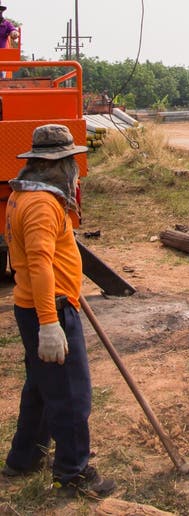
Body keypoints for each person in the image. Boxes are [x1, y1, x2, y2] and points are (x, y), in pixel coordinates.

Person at [1, 124, 115, 499]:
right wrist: (50, 323)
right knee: (70, 395)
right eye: (72, 161)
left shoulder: (27, 195)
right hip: (48, 311)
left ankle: (24, 459)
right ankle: (72, 472)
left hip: (38, 307)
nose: (76, 169)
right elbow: (38, 263)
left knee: (40, 387)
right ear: (60, 164)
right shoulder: (42, 205)